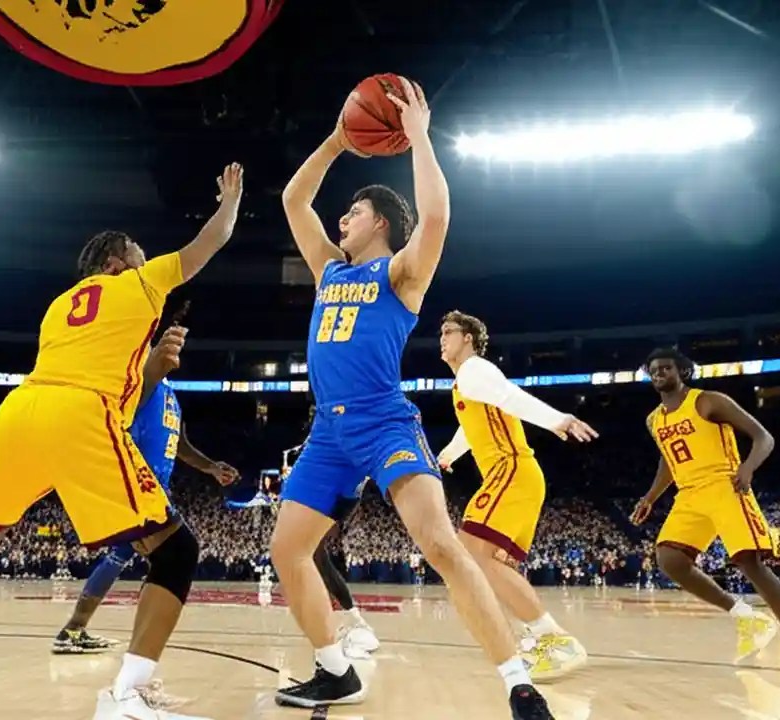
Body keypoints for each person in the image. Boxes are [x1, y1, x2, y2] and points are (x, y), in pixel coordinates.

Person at [0, 163, 246, 720]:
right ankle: (126, 698)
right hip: (78, 413)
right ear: (113, 264)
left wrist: (148, 365)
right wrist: (228, 202)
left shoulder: (58, 309)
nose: (144, 256)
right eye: (135, 250)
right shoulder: (142, 282)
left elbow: (115, 391)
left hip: (21, 410)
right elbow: (211, 242)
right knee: (176, 552)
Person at [271, 77, 553, 718]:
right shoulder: (328, 269)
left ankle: (518, 683)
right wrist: (340, 141)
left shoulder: (400, 274)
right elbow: (294, 198)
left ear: (381, 224)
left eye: (353, 213)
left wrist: (420, 137)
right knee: (288, 551)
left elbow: (436, 218)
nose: (341, 220)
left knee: (442, 544)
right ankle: (335, 669)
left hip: (382, 420)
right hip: (327, 433)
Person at [629, 347, 780, 674]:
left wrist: (747, 468)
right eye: (653, 371)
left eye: (665, 368)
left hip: (725, 484)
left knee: (750, 562)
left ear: (683, 372)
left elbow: (763, 437)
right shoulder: (654, 420)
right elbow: (668, 459)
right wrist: (650, 496)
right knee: (670, 559)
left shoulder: (708, 401)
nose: (659, 374)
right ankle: (746, 617)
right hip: (689, 494)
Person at [435, 310, 595, 681]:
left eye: (448, 332)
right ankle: (542, 636)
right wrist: (448, 455)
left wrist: (559, 419)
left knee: (473, 556)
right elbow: (471, 429)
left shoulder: (476, 369)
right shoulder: (465, 382)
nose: (441, 339)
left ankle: (552, 637)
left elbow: (510, 397)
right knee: (490, 564)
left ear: (469, 338)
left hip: (511, 470)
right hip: (514, 476)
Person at [52, 366, 240, 658]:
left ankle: (78, 630)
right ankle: (90, 635)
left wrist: (211, 467)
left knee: (135, 556)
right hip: (138, 482)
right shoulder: (137, 383)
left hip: (155, 489)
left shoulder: (169, 395)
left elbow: (181, 445)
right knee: (168, 556)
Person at [283, 441, 380, 655]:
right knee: (312, 553)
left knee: (310, 552)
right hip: (339, 489)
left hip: (338, 490)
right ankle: (348, 619)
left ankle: (353, 620)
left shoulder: (348, 428)